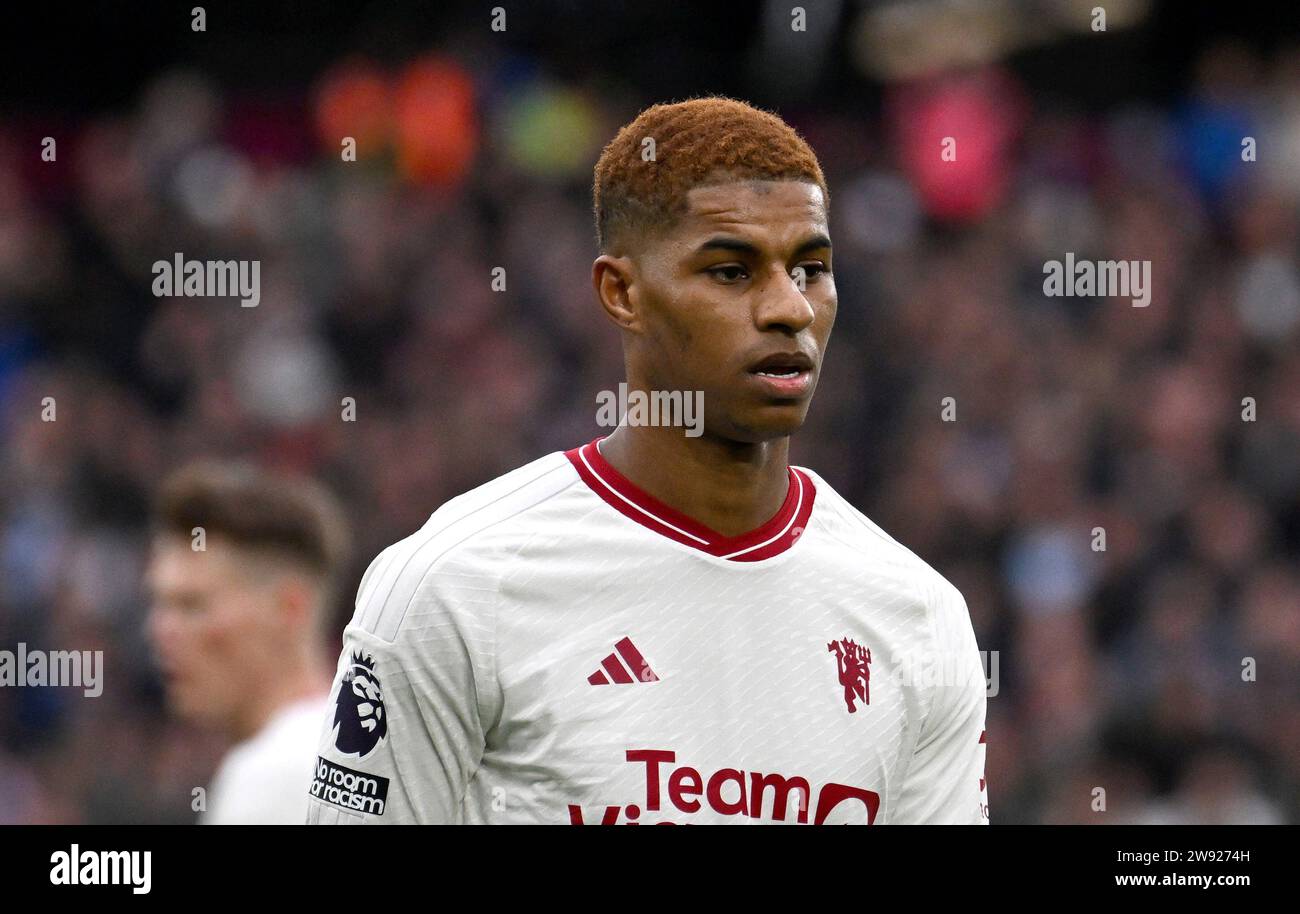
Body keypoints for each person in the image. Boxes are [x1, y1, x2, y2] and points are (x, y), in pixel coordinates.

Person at [308, 96, 988, 824]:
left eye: (811, 268)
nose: (789, 307)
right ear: (622, 292)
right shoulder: (455, 587)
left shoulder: (919, 617)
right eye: (732, 271)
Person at [147, 461, 350, 824]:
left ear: (289, 608)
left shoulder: (273, 774)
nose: (162, 630)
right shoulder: (363, 751)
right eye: (160, 604)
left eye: (192, 605)